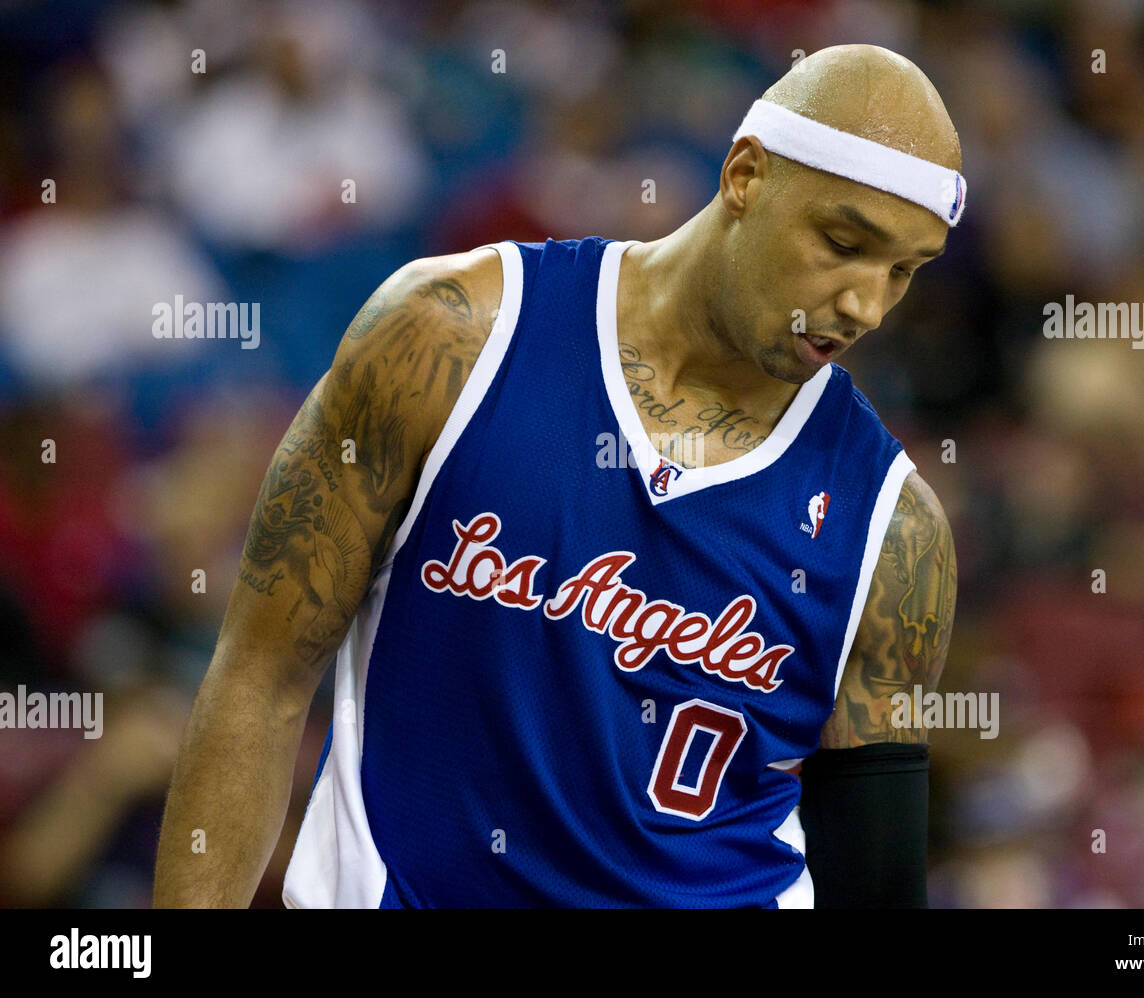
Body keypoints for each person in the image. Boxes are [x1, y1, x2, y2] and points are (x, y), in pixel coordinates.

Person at [153, 43, 960, 909]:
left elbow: (874, 887)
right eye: (844, 244)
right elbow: (260, 677)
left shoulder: (894, 532)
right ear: (745, 175)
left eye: (904, 272)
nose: (866, 305)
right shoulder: (447, 338)